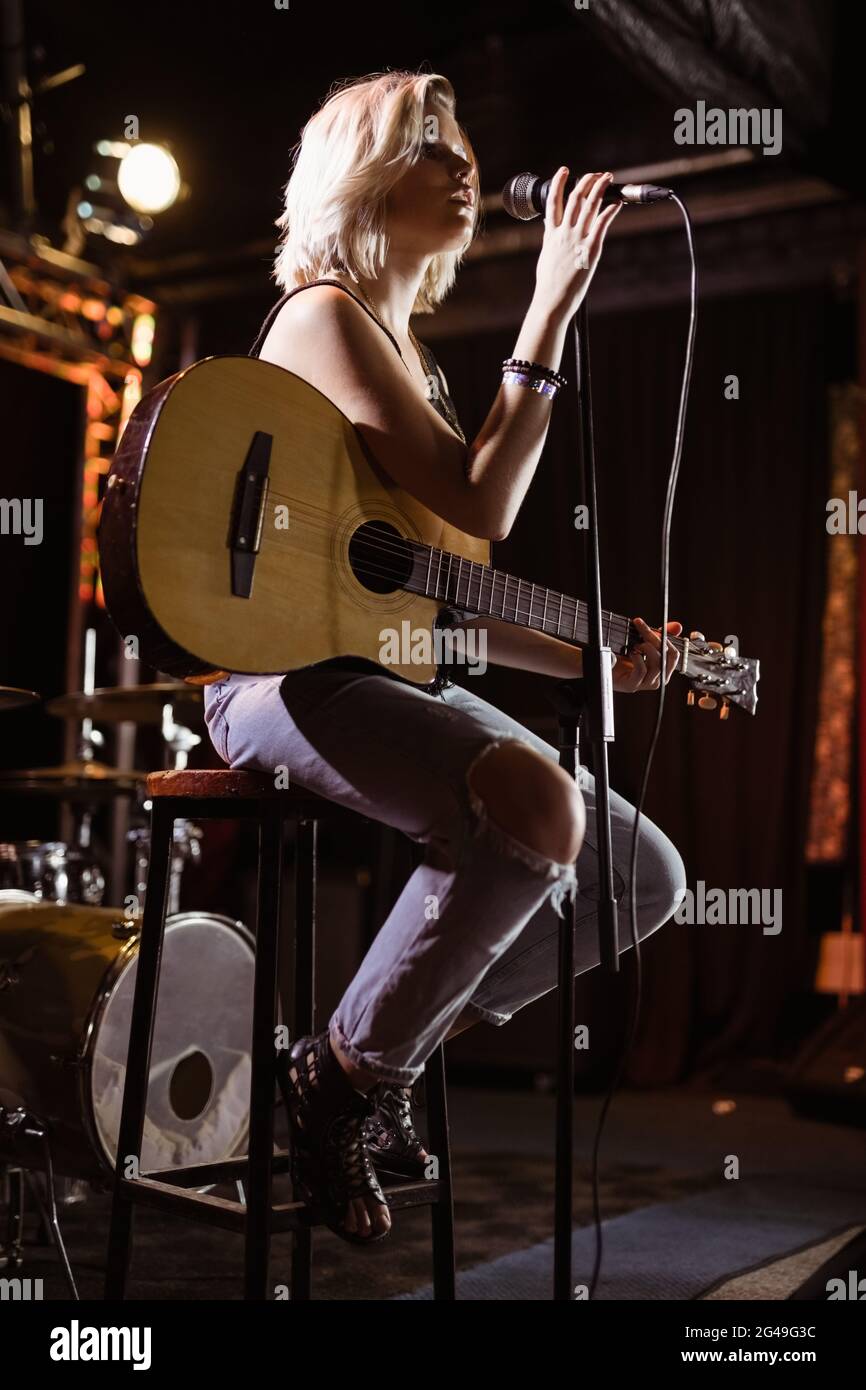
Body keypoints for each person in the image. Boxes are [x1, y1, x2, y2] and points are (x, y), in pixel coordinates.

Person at [202, 69, 686, 1246]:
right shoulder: (322, 315)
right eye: (424, 143)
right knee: (533, 805)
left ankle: (372, 1057)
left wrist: (590, 656)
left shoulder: (416, 365)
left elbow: (439, 604)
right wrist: (551, 306)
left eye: (460, 139)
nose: (461, 162)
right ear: (353, 180)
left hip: (380, 664)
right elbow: (486, 496)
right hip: (274, 678)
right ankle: (344, 1081)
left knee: (639, 874)